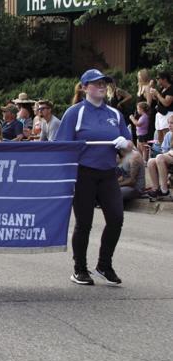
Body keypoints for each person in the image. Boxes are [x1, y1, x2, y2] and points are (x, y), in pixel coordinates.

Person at [55, 68, 131, 286]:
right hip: (83, 173)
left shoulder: (115, 114)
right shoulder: (75, 113)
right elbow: (63, 147)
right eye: (96, 83)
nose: (102, 86)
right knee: (84, 223)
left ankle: (104, 265)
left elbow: (129, 146)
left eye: (104, 83)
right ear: (85, 87)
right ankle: (79, 269)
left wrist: (125, 145)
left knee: (116, 219)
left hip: (108, 173)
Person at [145, 116, 173, 200]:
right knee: (151, 161)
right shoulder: (169, 134)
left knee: (160, 157)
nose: (169, 125)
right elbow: (164, 150)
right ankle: (156, 189)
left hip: (169, 157)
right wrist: (168, 153)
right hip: (168, 157)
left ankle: (164, 190)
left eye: (172, 123)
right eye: (168, 123)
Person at [149, 71, 173, 142]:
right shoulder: (162, 88)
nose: (157, 80)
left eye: (158, 78)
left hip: (167, 114)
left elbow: (166, 103)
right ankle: (161, 151)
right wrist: (153, 92)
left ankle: (168, 151)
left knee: (167, 135)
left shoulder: (171, 89)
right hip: (160, 113)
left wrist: (157, 94)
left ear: (164, 79)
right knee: (159, 137)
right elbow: (158, 99)